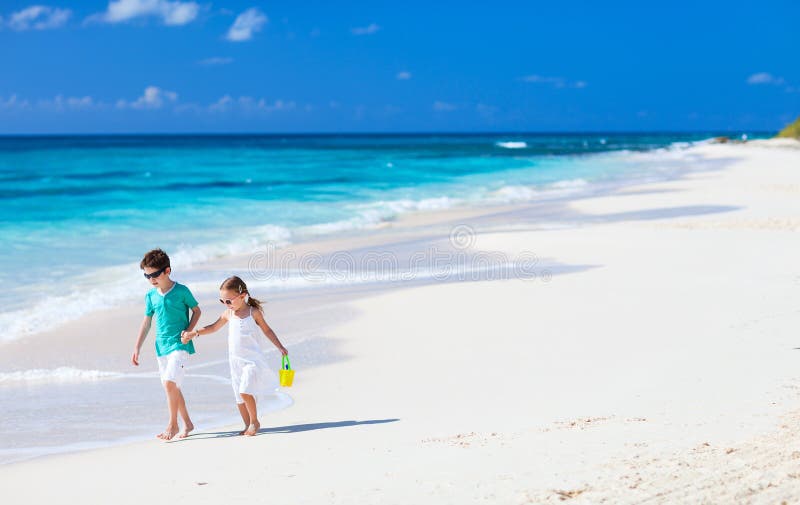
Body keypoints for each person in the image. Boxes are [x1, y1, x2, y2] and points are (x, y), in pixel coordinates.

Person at [181, 275, 288, 436]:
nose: (226, 305)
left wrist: (279, 346)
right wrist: (195, 333)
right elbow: (213, 327)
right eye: (222, 301)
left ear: (242, 296)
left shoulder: (253, 313)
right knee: (239, 398)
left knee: (245, 391)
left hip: (252, 361)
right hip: (235, 362)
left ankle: (254, 422)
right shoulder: (228, 314)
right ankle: (246, 424)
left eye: (229, 301)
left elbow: (267, 330)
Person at [132, 248, 201, 441]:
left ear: (167, 271)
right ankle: (188, 423)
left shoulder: (181, 291)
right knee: (173, 387)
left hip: (180, 344)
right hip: (161, 348)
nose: (151, 279)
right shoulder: (151, 296)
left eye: (154, 274)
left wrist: (189, 330)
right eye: (147, 275)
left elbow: (197, 311)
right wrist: (137, 346)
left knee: (170, 383)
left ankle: (173, 424)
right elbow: (146, 322)